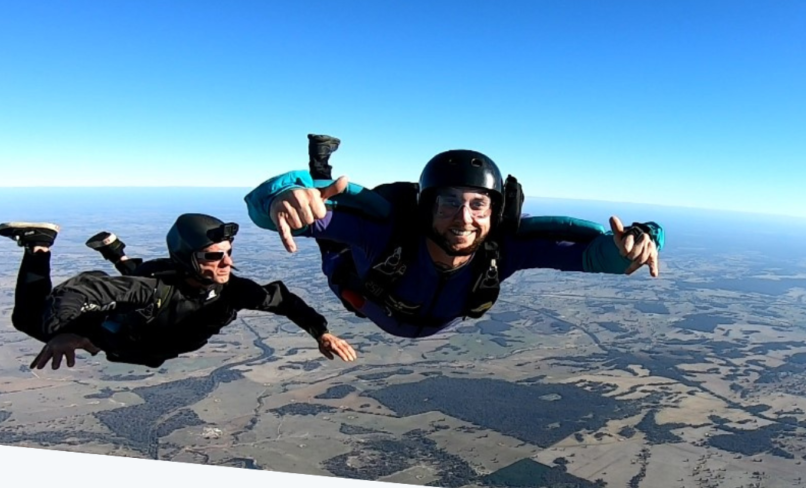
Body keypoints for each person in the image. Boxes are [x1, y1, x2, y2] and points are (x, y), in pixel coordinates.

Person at [242, 134, 666, 339]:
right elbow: (267, 213)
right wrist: (284, 197)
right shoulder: (385, 235)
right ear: (426, 206)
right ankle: (319, 172)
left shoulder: (506, 248)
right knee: (332, 232)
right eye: (448, 202)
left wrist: (638, 242)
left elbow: (595, 256)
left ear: (495, 211)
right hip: (361, 291)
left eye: (478, 204)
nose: (464, 218)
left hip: (417, 316)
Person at [0, 213, 357, 371]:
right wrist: (67, 331)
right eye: (214, 257)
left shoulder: (234, 290)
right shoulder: (153, 288)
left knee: (147, 282)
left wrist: (320, 332)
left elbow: (285, 301)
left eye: (229, 253)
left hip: (152, 337)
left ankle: (115, 251)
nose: (227, 263)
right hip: (125, 333)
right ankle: (39, 245)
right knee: (28, 320)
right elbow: (84, 290)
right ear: (187, 257)